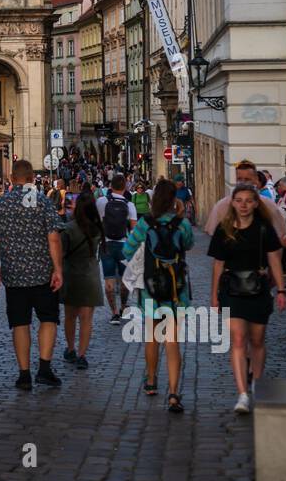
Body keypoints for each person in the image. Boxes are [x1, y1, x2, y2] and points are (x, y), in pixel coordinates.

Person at [208, 182, 286, 414]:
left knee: (258, 340)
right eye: (239, 200)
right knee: (239, 340)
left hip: (259, 289)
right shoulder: (224, 229)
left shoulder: (264, 228)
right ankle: (242, 393)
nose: (243, 205)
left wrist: (281, 290)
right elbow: (218, 265)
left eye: (249, 201)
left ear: (255, 203)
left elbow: (274, 260)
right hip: (232, 291)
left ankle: (257, 385)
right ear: (232, 202)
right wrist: (214, 296)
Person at [0, 160, 64, 390]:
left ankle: (24, 374)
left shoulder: (1, 204)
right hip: (43, 273)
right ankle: (44, 368)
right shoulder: (42, 201)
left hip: (14, 274)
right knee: (48, 319)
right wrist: (58, 268)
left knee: (20, 323)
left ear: (11, 178)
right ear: (31, 177)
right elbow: (54, 238)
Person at [122, 176, 194, 413]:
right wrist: (181, 215)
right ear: (174, 200)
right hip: (177, 289)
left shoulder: (146, 223)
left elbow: (127, 248)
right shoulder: (181, 224)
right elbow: (189, 244)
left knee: (152, 336)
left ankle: (151, 381)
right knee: (172, 341)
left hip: (152, 288)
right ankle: (174, 393)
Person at [60, 188, 105, 369]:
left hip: (71, 273)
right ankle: (82, 354)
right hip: (90, 274)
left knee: (70, 316)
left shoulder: (68, 228)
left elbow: (62, 253)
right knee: (86, 319)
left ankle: (70, 348)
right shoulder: (97, 228)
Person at [204, 160, 286, 247]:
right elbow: (215, 238)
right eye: (239, 179)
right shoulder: (222, 205)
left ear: (256, 180)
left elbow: (279, 237)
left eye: (247, 179)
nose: (243, 183)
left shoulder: (268, 205)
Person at [96, 173, 138, 322]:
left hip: (106, 244)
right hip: (123, 245)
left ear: (111, 186)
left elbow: (97, 223)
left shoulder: (101, 202)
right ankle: (123, 306)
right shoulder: (129, 205)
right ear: (125, 187)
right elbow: (133, 230)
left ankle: (114, 313)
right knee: (125, 281)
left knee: (109, 280)